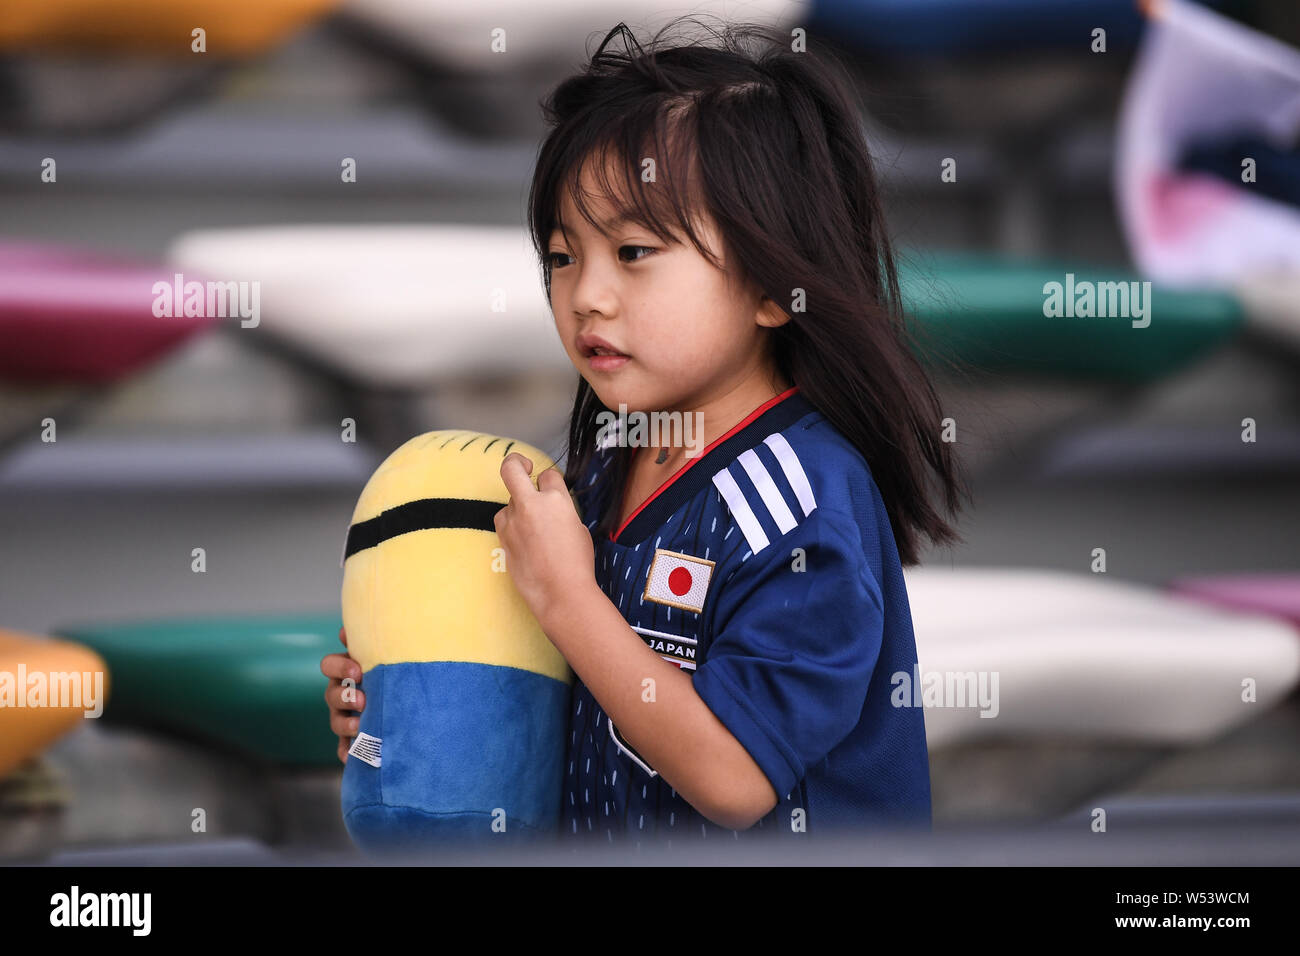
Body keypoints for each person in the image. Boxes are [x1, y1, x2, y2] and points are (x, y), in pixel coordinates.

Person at [323, 17, 968, 848]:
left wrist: (567, 599)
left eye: (632, 251)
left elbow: (734, 777)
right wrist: (403, 714)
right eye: (562, 257)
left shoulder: (798, 504)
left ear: (774, 286)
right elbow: (576, 708)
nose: (586, 293)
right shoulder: (605, 471)